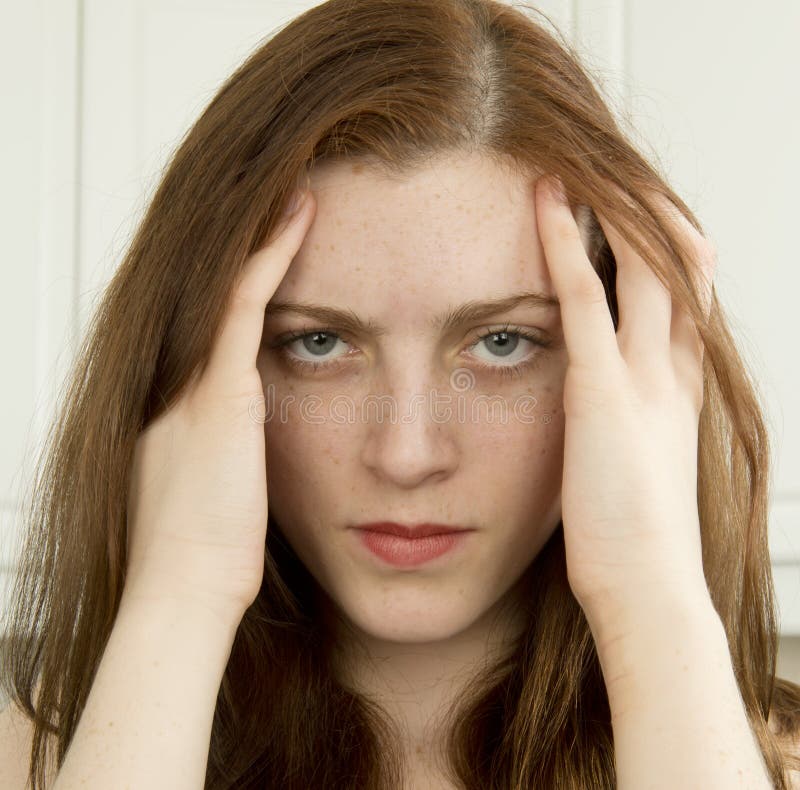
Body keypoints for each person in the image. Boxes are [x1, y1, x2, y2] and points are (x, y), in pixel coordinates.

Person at [2, 0, 799, 787]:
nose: (407, 455)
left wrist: (651, 597)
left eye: (502, 342)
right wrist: (180, 595)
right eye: (318, 343)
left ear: (631, 365)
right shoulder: (41, 761)